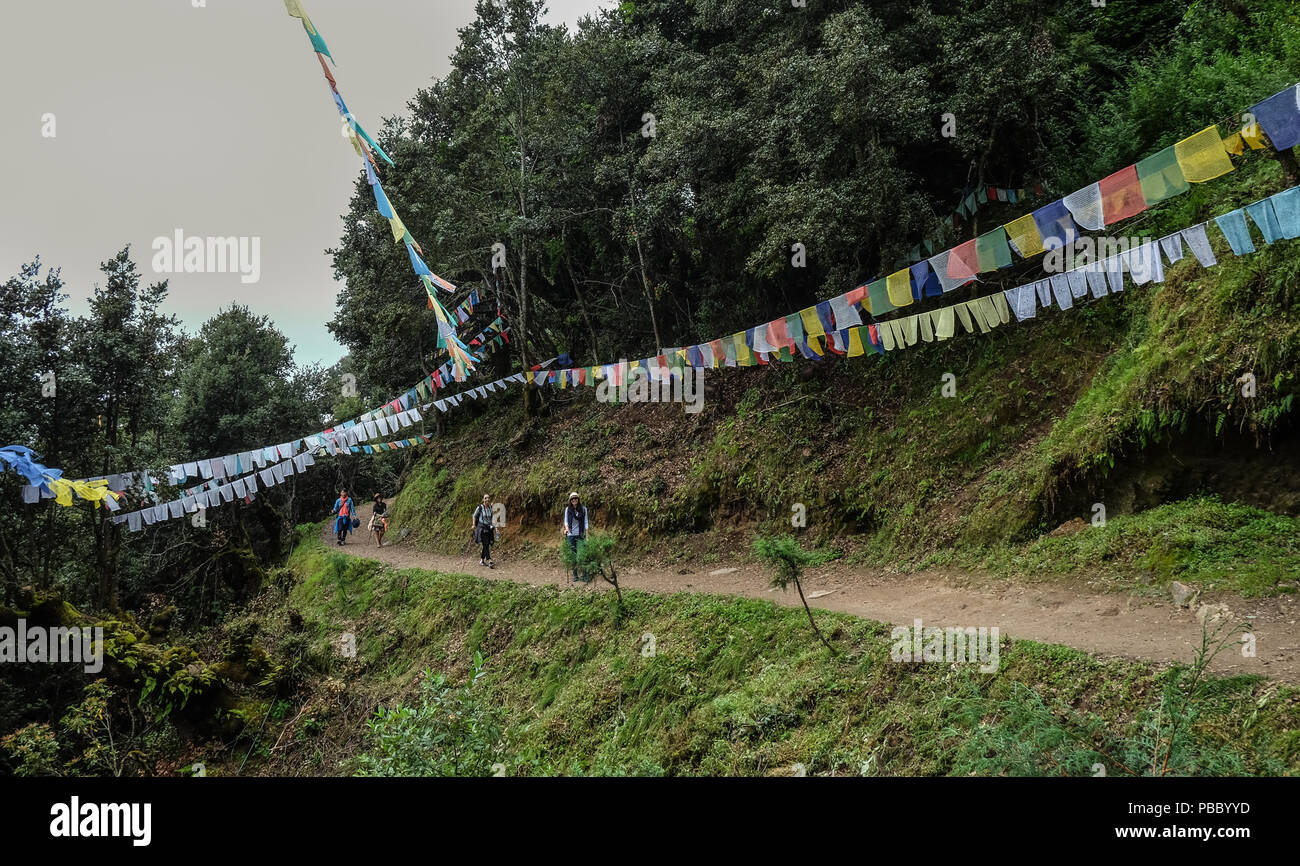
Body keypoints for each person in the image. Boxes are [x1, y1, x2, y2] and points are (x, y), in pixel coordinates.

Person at [561, 491, 589, 582]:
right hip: (571, 535)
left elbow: (586, 522)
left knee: (582, 555)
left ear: (578, 499)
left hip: (580, 534)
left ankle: (584, 575)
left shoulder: (584, 509)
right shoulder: (567, 509)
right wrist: (566, 529)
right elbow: (565, 521)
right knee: (573, 556)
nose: (574, 500)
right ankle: (575, 575)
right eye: (572, 499)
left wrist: (587, 535)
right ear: (570, 500)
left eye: (575, 498)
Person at [471, 494, 497, 568]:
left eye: (488, 498)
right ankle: (489, 560)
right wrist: (473, 525)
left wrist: (495, 528)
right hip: (482, 528)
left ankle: (482, 560)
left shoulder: (490, 508)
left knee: (487, 544)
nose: (487, 499)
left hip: (489, 528)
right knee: (485, 543)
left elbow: (492, 518)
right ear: (483, 500)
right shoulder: (480, 508)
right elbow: (474, 516)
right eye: (486, 498)